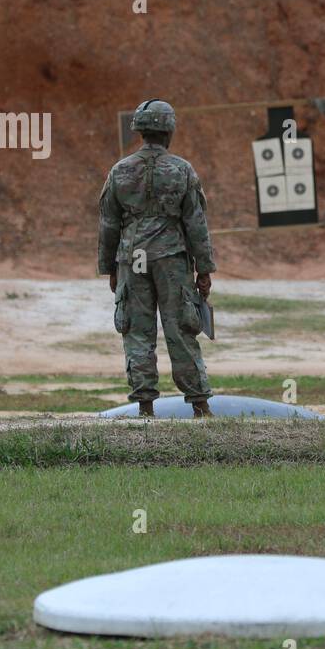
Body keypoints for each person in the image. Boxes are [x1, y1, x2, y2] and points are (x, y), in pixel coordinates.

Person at [98, 99, 216, 417]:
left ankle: (145, 407)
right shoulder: (182, 170)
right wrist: (204, 269)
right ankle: (200, 405)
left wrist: (109, 267)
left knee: (136, 331)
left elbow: (108, 223)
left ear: (140, 131)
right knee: (181, 329)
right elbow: (196, 223)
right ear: (168, 130)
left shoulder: (120, 171)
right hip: (171, 259)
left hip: (131, 258)